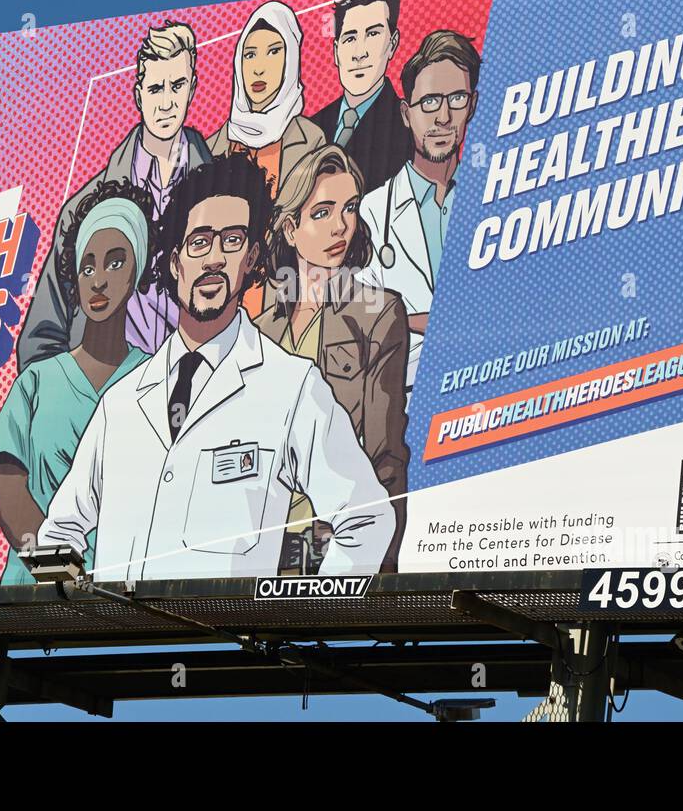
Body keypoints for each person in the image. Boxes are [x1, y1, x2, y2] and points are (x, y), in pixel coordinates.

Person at [37, 153, 394, 581]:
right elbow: (58, 534)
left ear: (252, 258)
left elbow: (368, 518)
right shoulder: (121, 404)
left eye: (231, 241)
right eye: (199, 242)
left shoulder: (291, 388)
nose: (213, 259)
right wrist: (83, 627)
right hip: (126, 646)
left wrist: (303, 614)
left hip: (231, 646)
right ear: (174, 262)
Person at [0, 181, 154, 585]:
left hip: (127, 601)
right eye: (87, 267)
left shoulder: (156, 379)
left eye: (115, 262)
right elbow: (11, 498)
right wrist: (61, 575)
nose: (99, 280)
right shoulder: (36, 382)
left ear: (138, 271)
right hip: (32, 601)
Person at [18, 21, 212, 370]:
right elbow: (41, 336)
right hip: (110, 401)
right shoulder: (86, 210)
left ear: (193, 88)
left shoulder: (223, 198)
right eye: (155, 89)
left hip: (196, 395)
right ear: (139, 95)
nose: (166, 102)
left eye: (177, 86)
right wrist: (70, 404)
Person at [255, 145, 410, 572]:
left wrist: (381, 573)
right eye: (322, 212)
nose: (340, 225)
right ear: (290, 228)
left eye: (350, 208)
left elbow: (387, 457)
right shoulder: (260, 332)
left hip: (334, 552)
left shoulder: (377, 314)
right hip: (258, 553)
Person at [358, 30, 482, 390]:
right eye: (429, 102)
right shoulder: (371, 213)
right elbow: (366, 325)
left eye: (456, 98)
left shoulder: (493, 199)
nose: (443, 116)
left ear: (472, 105)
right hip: (406, 407)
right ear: (405, 113)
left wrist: (418, 320)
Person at [207, 0, 325, 317]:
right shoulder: (214, 147)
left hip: (281, 307)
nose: (258, 67)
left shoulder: (310, 141)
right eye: (249, 54)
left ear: (292, 58)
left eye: (274, 51)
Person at [309, 0, 412, 194]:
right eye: (350, 38)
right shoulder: (310, 128)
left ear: (392, 43)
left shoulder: (409, 128)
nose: (359, 53)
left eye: (373, 34)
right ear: (336, 52)